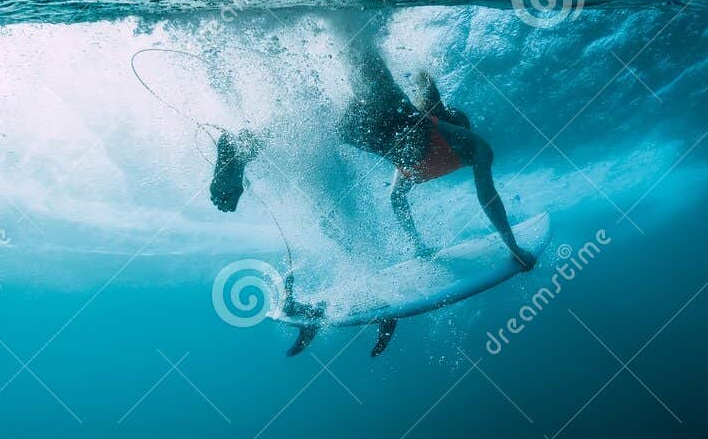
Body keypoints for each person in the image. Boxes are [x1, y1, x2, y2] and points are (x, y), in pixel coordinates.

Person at [208, 33, 535, 270]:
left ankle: (242, 148)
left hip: (380, 120)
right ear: (460, 122)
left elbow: (397, 198)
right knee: (324, 113)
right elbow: (488, 198)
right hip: (385, 126)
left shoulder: (442, 148)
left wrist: (418, 245)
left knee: (318, 114)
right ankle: (242, 149)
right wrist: (513, 247)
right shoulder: (474, 146)